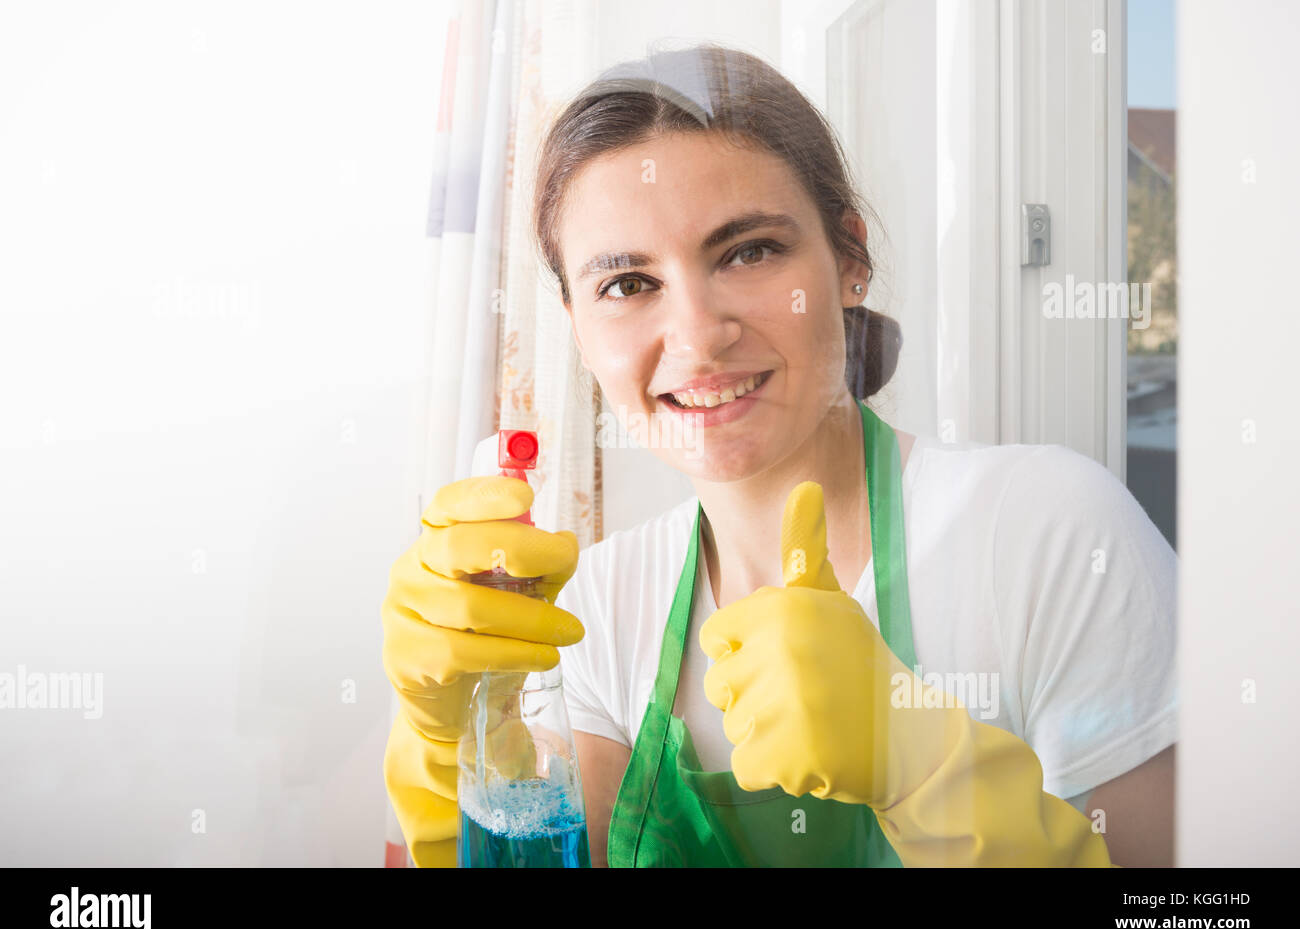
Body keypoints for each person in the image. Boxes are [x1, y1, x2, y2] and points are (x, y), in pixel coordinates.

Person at [382, 44, 1177, 868]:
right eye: (626, 284)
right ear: (577, 324)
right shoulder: (600, 612)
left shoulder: (1050, 533)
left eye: (749, 250)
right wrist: (458, 741)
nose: (697, 334)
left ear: (850, 259)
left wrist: (922, 768)